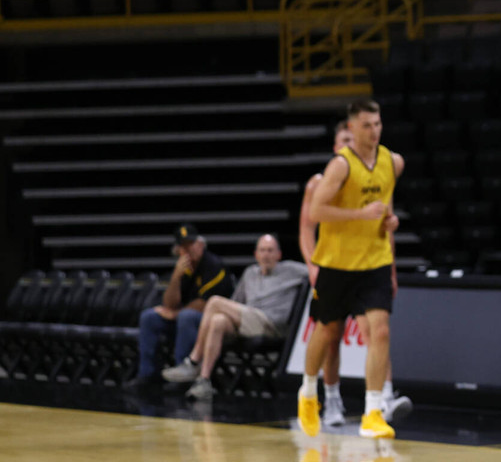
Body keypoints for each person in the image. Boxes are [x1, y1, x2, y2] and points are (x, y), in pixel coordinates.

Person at [302, 100, 403, 439]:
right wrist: (359, 215)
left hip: (374, 262)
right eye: (366, 125)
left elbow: (385, 208)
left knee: (381, 332)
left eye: (377, 124)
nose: (373, 131)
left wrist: (390, 221)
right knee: (328, 333)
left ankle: (373, 411)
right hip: (337, 263)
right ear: (352, 128)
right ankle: (308, 392)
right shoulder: (340, 166)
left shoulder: (393, 162)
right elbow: (316, 212)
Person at [162, 235, 308, 399]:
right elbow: (236, 302)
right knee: (218, 320)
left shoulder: (292, 270)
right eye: (262, 250)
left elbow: (315, 272)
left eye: (270, 250)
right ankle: (204, 381)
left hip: (271, 323)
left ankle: (193, 360)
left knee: (215, 302)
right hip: (248, 319)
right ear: (256, 254)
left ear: (279, 255)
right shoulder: (249, 273)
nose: (266, 255)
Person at [124, 225, 235, 389]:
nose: (188, 249)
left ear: (200, 244)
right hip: (185, 319)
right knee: (149, 317)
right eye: (183, 246)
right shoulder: (184, 268)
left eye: (191, 244)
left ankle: (183, 377)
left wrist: (176, 313)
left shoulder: (214, 265)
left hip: (212, 323)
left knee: (186, 316)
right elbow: (169, 303)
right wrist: (176, 276)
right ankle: (148, 374)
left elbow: (206, 304)